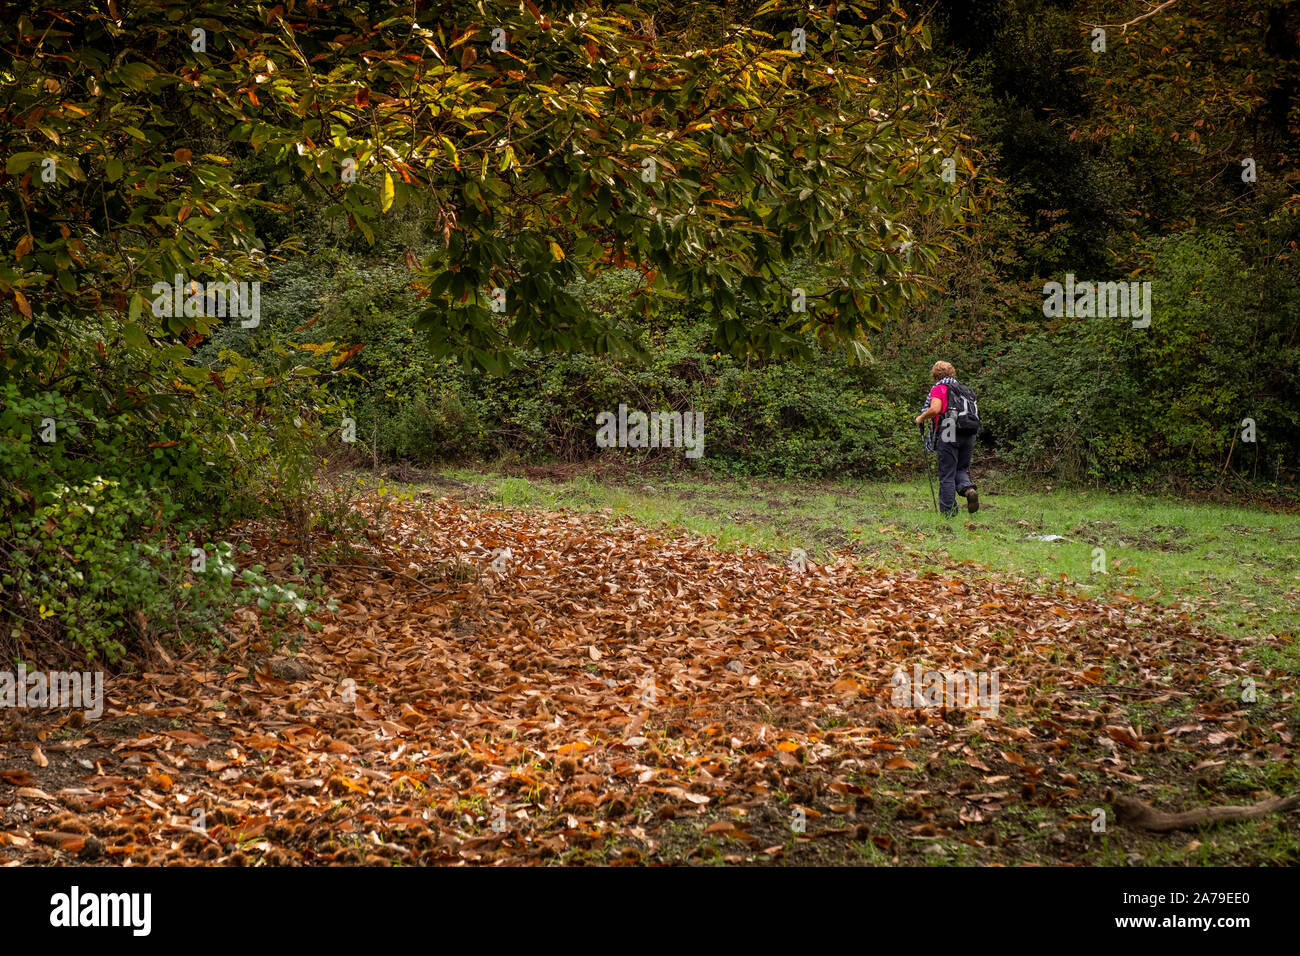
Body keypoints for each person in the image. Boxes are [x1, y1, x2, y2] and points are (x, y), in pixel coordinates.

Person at [914, 361, 979, 516]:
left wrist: (921, 418)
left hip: (949, 429)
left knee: (947, 473)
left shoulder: (939, 388)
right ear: (952, 373)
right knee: (960, 468)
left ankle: (948, 513)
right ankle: (968, 489)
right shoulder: (965, 390)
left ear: (935, 375)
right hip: (969, 431)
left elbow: (935, 409)